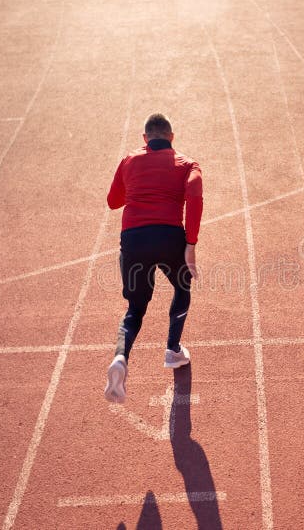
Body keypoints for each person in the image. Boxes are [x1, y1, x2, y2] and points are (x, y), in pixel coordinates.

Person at [104, 113, 203, 403]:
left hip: (134, 239)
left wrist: (138, 187)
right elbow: (195, 198)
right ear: (172, 138)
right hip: (170, 237)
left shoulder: (129, 160)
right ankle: (173, 350)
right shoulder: (188, 165)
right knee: (181, 288)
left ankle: (120, 358)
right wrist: (191, 244)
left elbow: (113, 202)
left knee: (135, 309)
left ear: (144, 138)